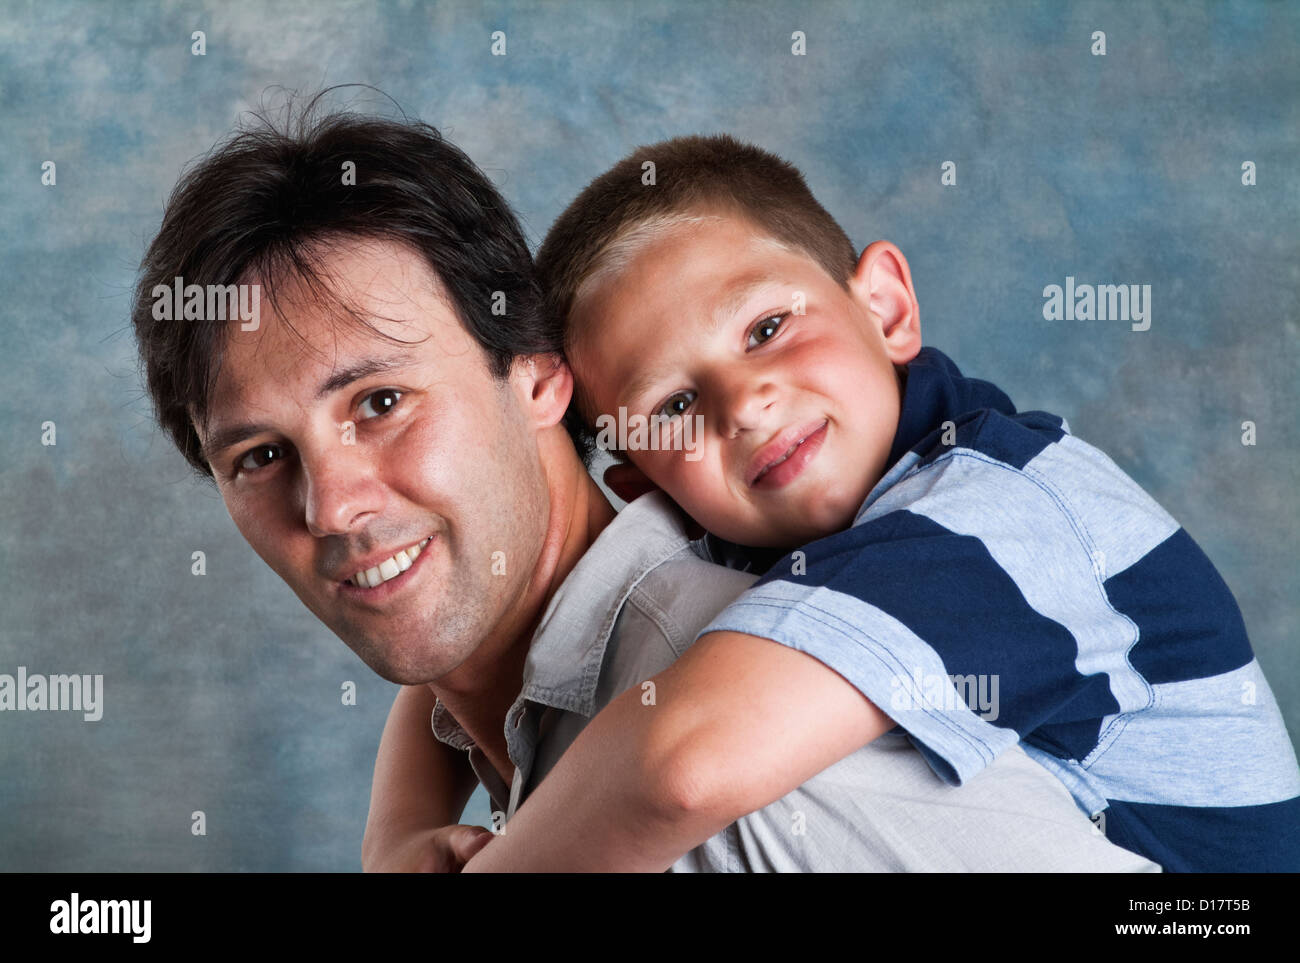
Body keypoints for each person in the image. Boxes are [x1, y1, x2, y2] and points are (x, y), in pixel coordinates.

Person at [130, 105, 1157, 872]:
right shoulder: (527, 694)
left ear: (537, 379)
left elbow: (685, 770)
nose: (335, 506)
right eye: (260, 457)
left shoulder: (752, 749)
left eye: (381, 402)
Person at [453, 134, 1300, 873]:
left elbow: (683, 769)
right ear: (643, 485)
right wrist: (400, 835)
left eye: (765, 329)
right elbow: (445, 679)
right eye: (674, 408)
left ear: (885, 307)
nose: (744, 405)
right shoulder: (774, 517)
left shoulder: (987, 513)